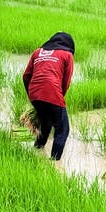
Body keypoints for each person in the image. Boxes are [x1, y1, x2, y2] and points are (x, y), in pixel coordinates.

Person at [22, 32, 75, 161]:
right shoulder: (67, 55)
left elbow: (26, 76)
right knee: (63, 130)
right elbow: (66, 82)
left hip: (35, 94)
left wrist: (33, 96)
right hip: (52, 93)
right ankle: (54, 163)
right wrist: (57, 98)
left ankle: (37, 151)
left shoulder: (38, 52)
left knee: (46, 124)